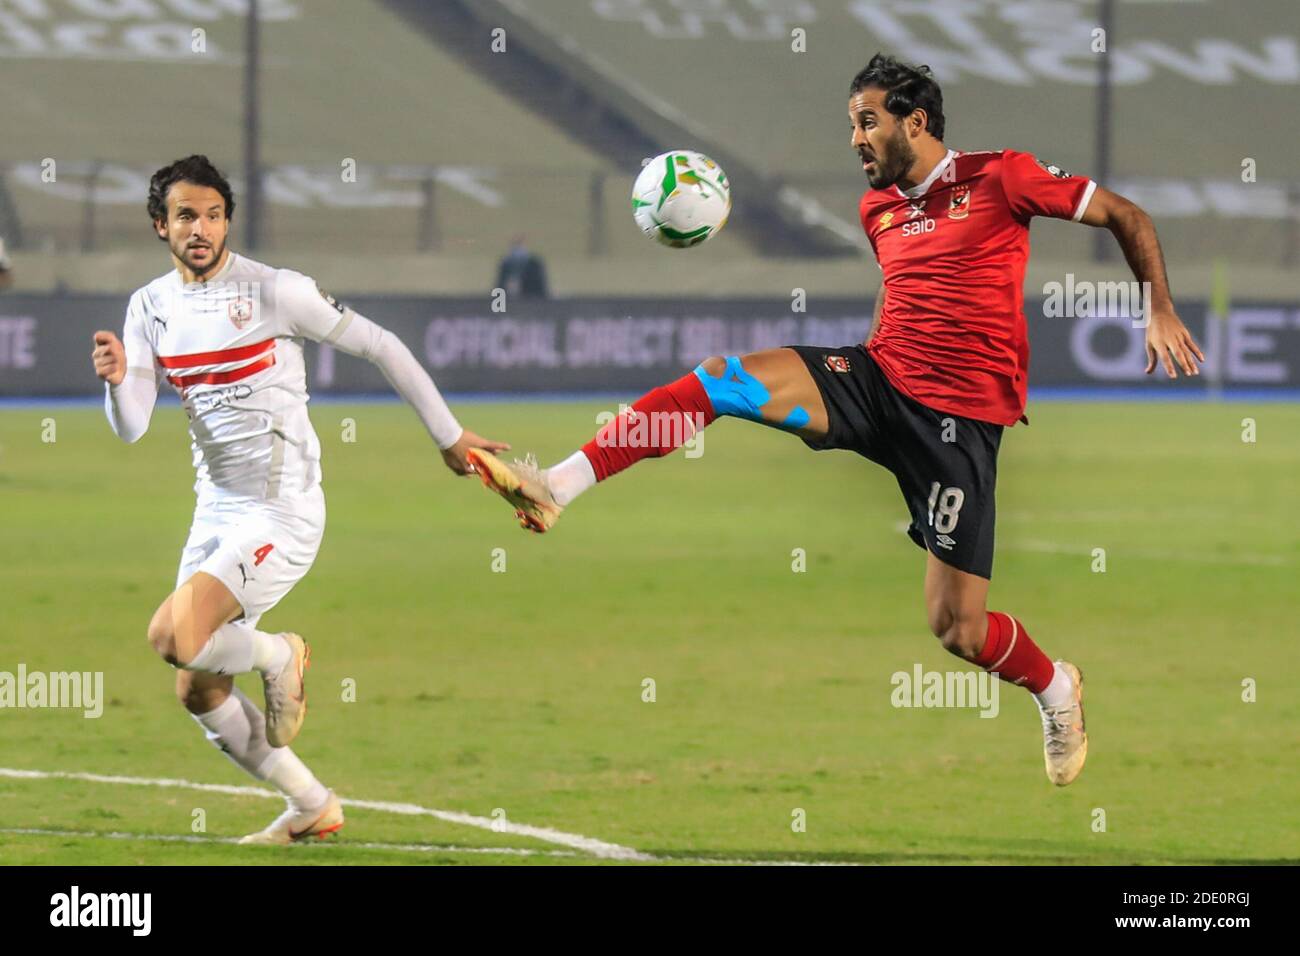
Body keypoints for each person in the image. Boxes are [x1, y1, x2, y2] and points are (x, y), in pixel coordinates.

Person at [465, 55, 1206, 787]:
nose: (854, 138)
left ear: (914, 122)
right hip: (877, 382)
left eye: (867, 121)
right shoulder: (878, 208)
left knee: (958, 629)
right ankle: (558, 483)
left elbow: (1123, 213)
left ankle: (1056, 691)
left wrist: (1158, 308)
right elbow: (903, 294)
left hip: (959, 424)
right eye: (851, 123)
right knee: (722, 381)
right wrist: (853, 377)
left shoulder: (1000, 176)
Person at [91, 155, 508, 842]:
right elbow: (133, 425)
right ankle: (312, 805)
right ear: (159, 225)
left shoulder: (276, 291)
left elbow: (382, 344)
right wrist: (115, 380)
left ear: (228, 220)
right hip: (216, 509)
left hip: (282, 509)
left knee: (175, 635)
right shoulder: (148, 307)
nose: (202, 228)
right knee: (196, 683)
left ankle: (281, 655)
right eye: (186, 215)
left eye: (215, 214)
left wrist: (449, 435)